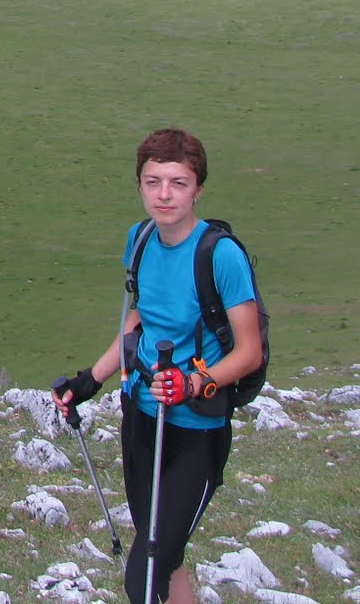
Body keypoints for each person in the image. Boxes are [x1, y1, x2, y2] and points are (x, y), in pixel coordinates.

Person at [52, 127, 263, 604]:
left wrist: (192, 383)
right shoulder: (141, 238)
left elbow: (249, 351)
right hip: (142, 420)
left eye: (178, 182)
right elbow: (141, 317)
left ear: (199, 188)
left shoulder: (221, 256)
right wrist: (93, 378)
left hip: (196, 431)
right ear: (140, 184)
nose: (164, 194)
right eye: (153, 182)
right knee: (168, 557)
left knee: (146, 575)